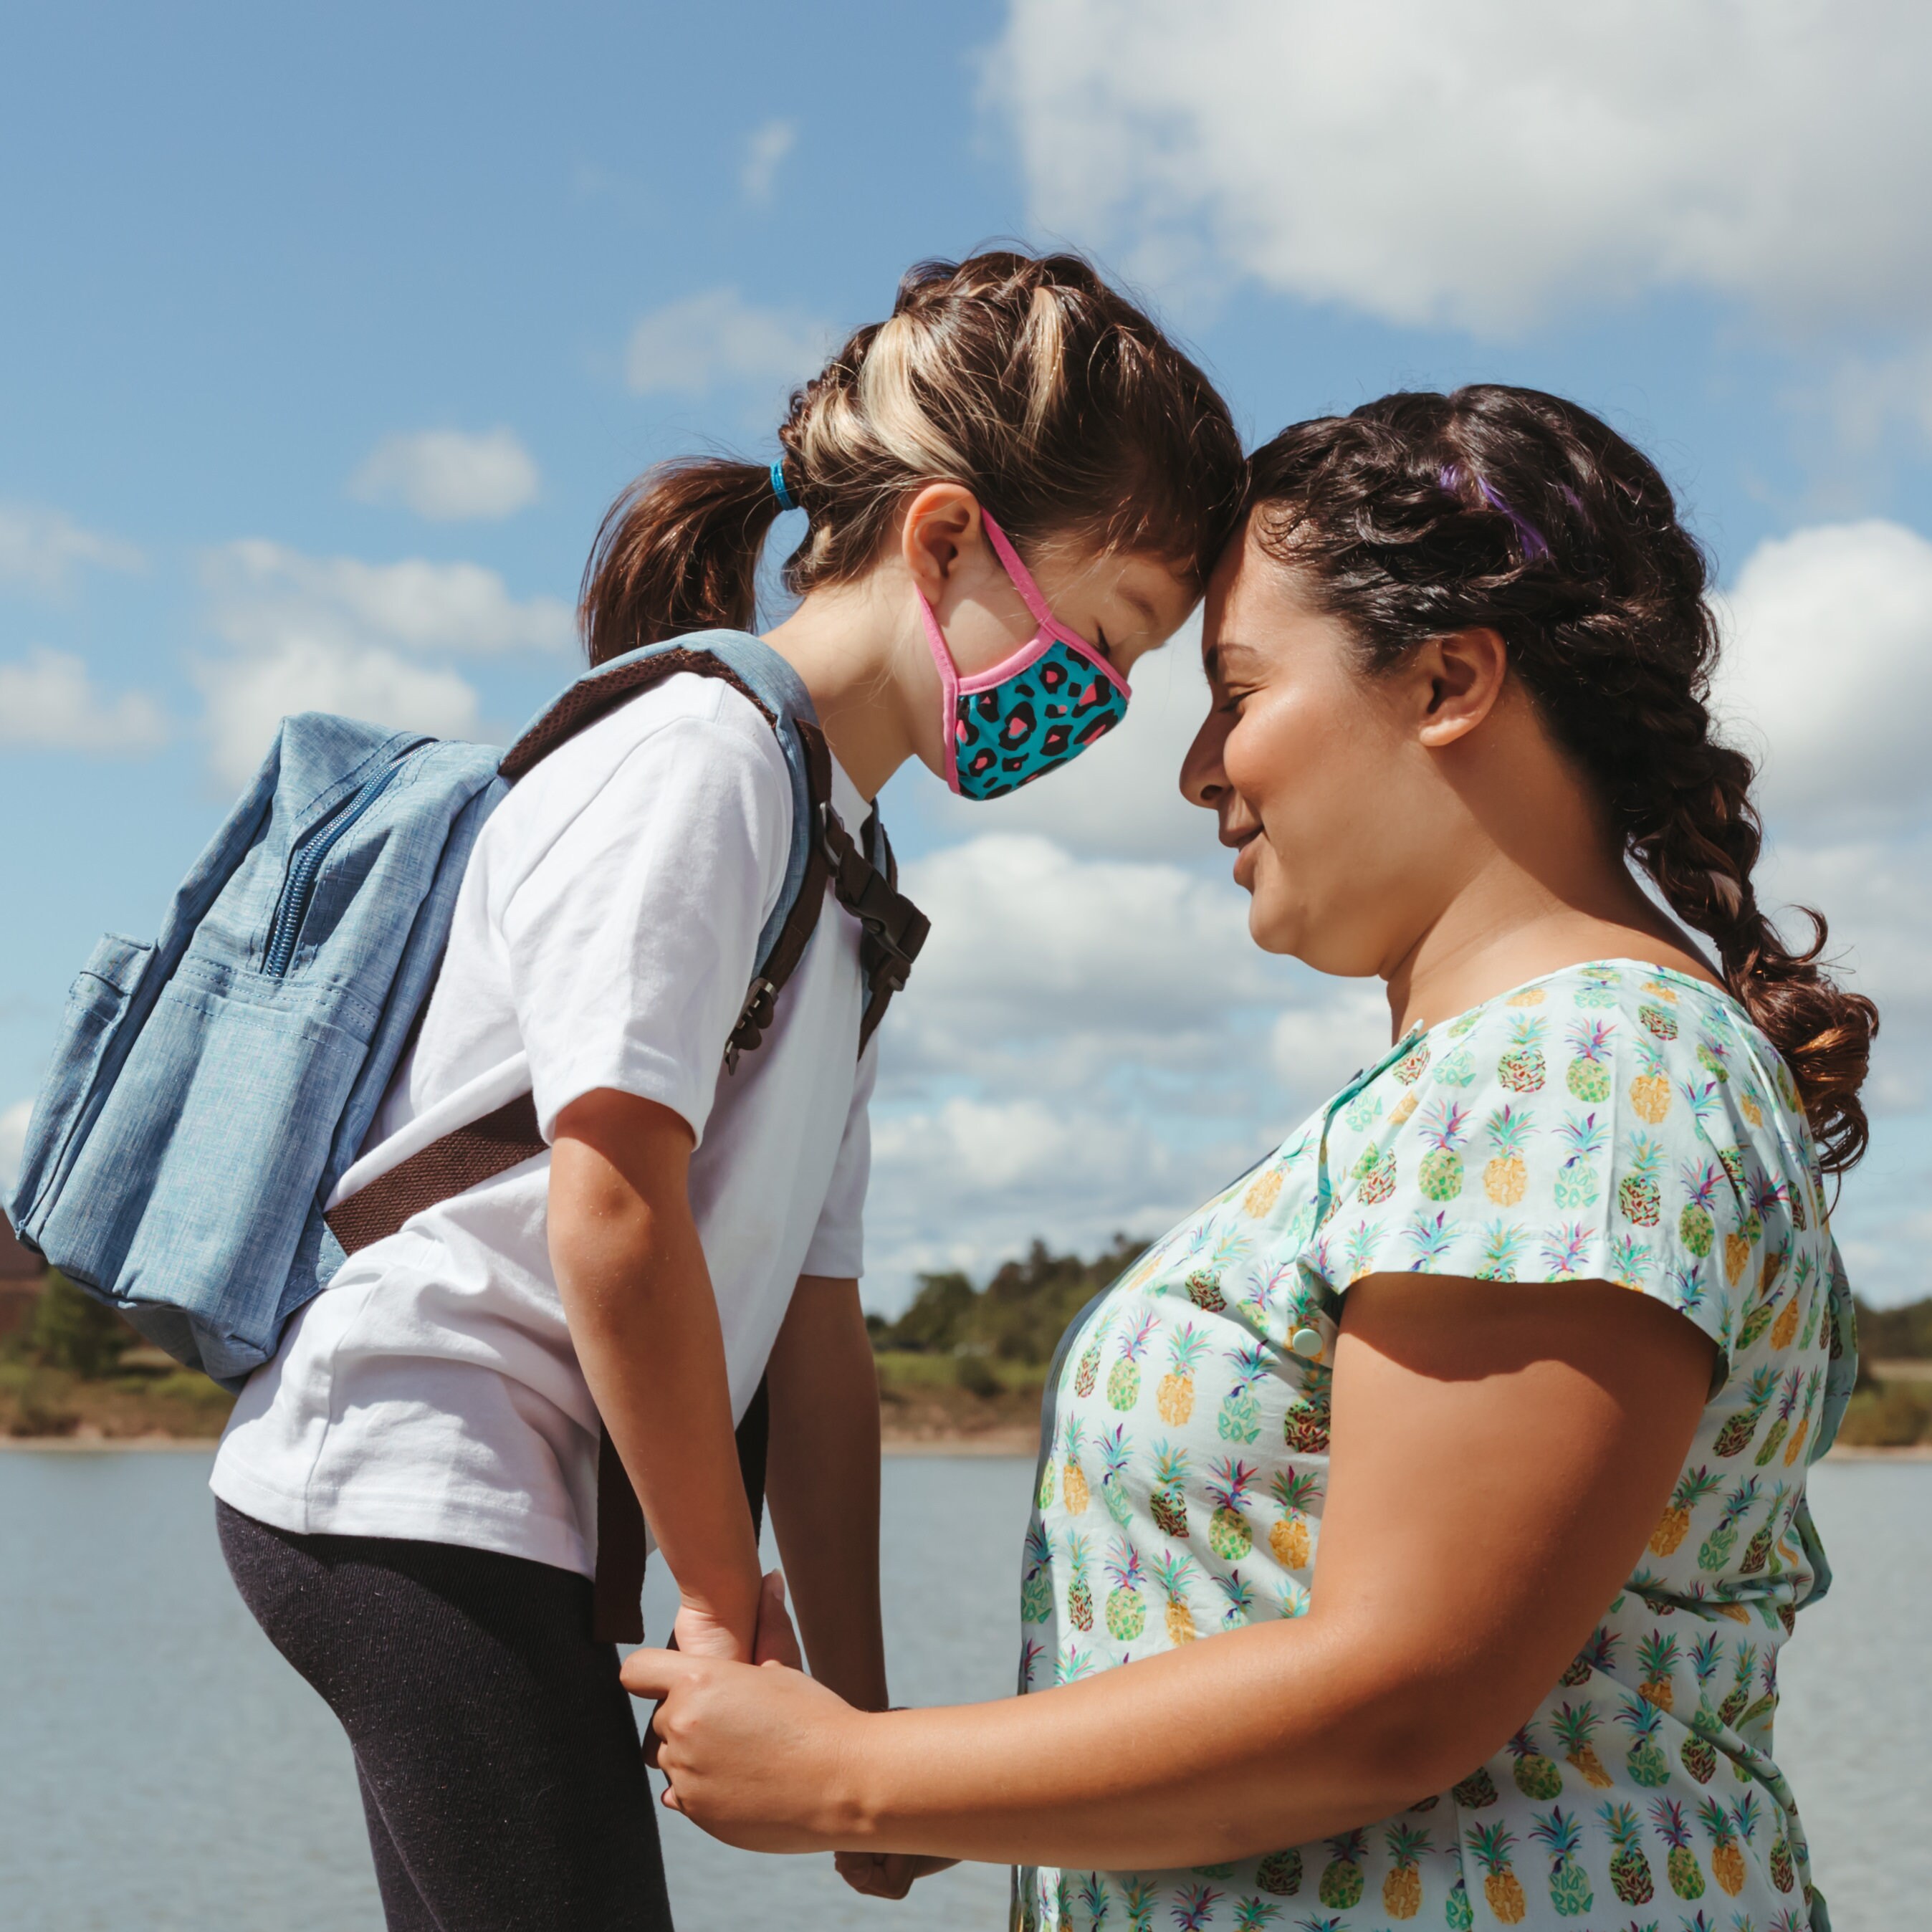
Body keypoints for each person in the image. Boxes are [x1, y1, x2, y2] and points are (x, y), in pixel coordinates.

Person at [626, 385, 1875, 1932]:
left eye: (1234, 691)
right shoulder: (1505, 1082)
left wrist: (857, 1778)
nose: (1197, 766)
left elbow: (1396, 1693)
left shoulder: (1580, 1076)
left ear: (1445, 681)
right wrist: (913, 1783)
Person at [209, 251, 1244, 1932]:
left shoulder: (848, 869)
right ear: (946, 540)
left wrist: (861, 1717)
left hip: (512, 1506)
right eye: (1110, 634)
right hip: (414, 1473)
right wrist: (717, 1596)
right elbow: (608, 1202)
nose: (1107, 705)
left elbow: (819, 1336)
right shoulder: (699, 762)